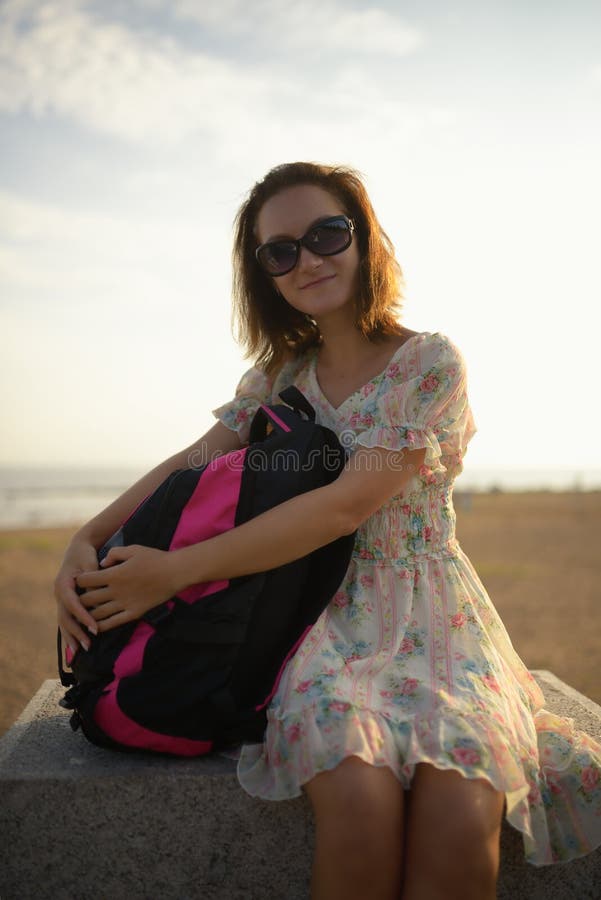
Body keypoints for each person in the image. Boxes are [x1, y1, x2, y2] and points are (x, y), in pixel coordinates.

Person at [54, 162, 601, 900]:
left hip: (434, 614)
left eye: (325, 234)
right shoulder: (282, 373)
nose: (307, 260)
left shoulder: (427, 362)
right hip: (315, 619)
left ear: (363, 238)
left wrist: (177, 571)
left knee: (460, 809)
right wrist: (84, 538)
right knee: (356, 798)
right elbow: (195, 459)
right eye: (279, 250)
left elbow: (346, 506)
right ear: (264, 274)